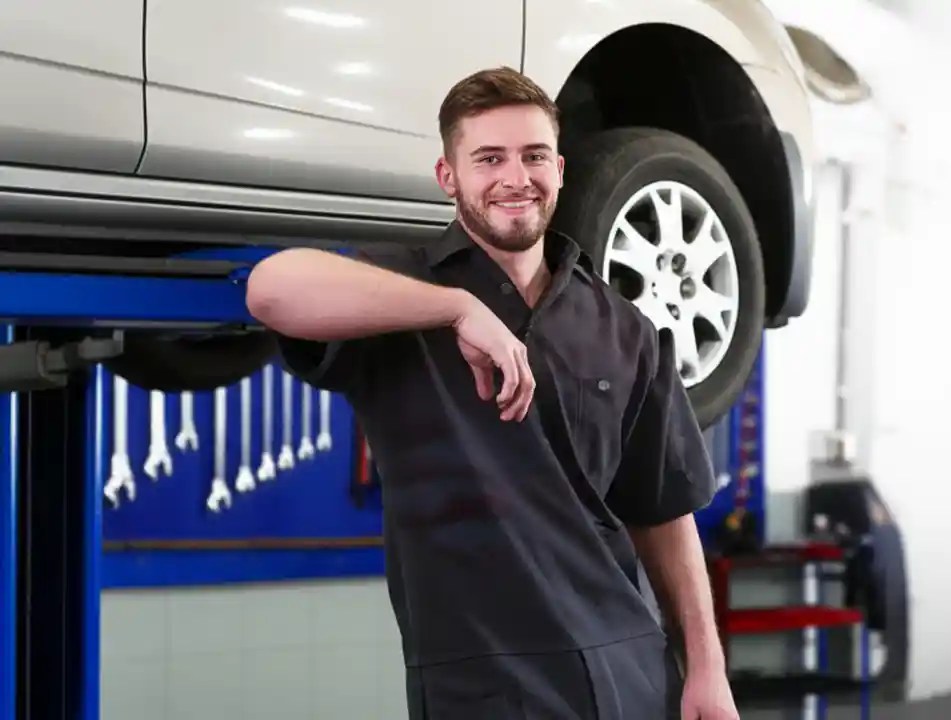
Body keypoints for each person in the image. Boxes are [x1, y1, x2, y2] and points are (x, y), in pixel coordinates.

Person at [245, 66, 740, 719]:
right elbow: (272, 288)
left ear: (560, 170)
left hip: (629, 664)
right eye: (489, 158)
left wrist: (706, 667)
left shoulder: (624, 327)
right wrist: (456, 309)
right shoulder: (397, 291)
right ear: (449, 177)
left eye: (534, 156)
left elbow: (663, 511)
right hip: (484, 682)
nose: (516, 178)